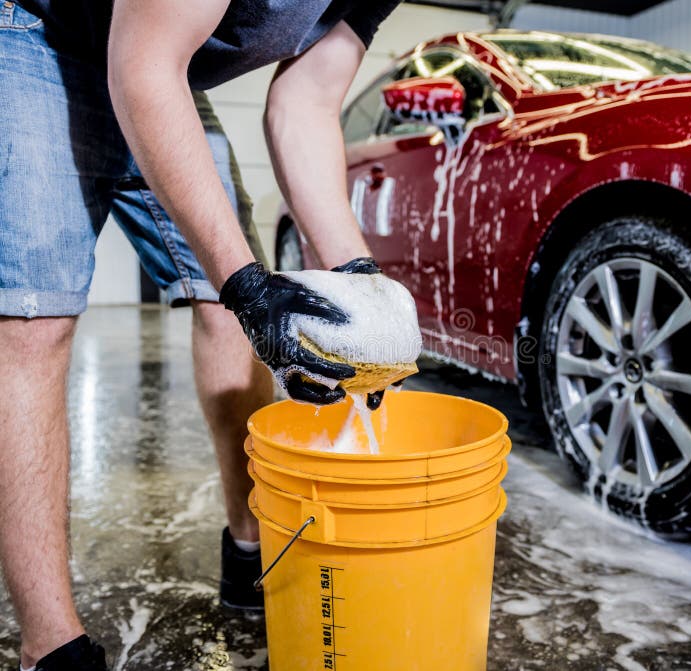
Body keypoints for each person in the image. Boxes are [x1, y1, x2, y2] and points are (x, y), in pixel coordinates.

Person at [0, 0, 400, 668]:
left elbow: (306, 100)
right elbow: (142, 66)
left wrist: (361, 284)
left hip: (161, 67)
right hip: (42, 39)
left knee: (224, 308)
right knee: (33, 322)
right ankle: (53, 644)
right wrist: (249, 282)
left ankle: (249, 549)